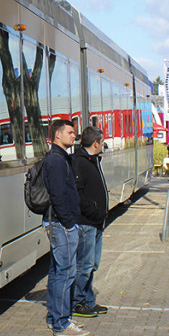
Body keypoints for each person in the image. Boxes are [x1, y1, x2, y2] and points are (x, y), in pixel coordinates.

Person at [42, 119, 89, 336]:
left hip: (60, 222)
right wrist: (69, 223)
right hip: (61, 223)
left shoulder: (61, 158)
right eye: (70, 132)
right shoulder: (56, 161)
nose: (74, 136)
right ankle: (61, 323)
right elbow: (58, 195)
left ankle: (55, 317)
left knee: (57, 270)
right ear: (57, 135)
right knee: (66, 271)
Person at [71, 125, 108, 318]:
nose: (103, 145)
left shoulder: (93, 160)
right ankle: (78, 302)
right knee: (84, 265)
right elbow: (78, 193)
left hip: (96, 222)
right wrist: (93, 211)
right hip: (87, 223)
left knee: (92, 264)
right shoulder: (79, 162)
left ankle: (88, 300)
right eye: (102, 142)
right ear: (96, 143)